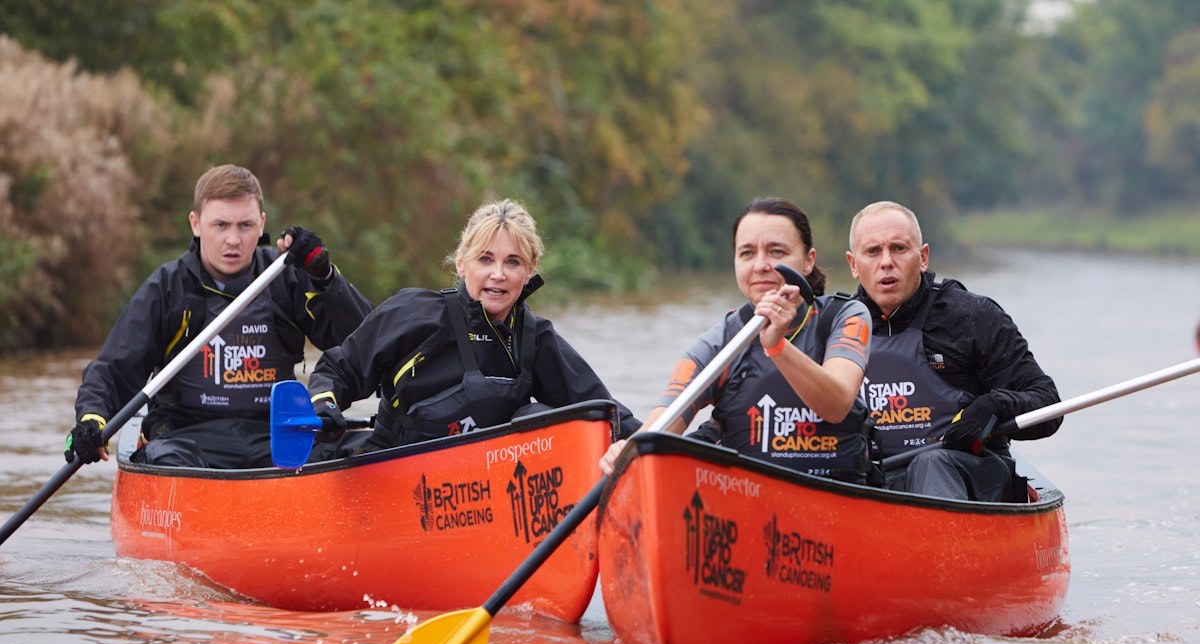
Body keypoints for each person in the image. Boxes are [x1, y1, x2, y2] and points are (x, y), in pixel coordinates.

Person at [64, 164, 373, 469]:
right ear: (196, 224)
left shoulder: (287, 276)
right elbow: (114, 368)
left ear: (262, 224)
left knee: (366, 447)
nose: (233, 240)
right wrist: (92, 418)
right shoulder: (168, 288)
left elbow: (369, 344)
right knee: (166, 458)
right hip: (186, 442)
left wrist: (324, 277)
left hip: (274, 438)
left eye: (245, 225)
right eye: (221, 225)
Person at [305, 198, 640, 454]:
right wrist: (324, 404)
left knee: (539, 416)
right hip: (394, 470)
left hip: (483, 491)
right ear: (462, 262)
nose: (498, 274)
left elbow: (603, 411)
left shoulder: (534, 338)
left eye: (512, 262)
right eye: (485, 259)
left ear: (529, 270)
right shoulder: (414, 313)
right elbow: (339, 369)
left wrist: (648, 442)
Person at [600, 196, 874, 484]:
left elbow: (837, 405)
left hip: (836, 494)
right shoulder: (720, 341)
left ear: (808, 261)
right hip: (747, 497)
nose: (760, 265)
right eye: (747, 253)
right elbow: (665, 421)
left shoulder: (845, 316)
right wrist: (631, 450)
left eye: (777, 252)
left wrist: (777, 347)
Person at [845, 200, 1062, 501]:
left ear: (923, 257)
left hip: (968, 479)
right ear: (853, 265)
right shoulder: (835, 326)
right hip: (872, 483)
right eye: (872, 251)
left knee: (931, 463)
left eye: (898, 248)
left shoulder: (971, 316)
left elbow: (1048, 406)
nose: (886, 262)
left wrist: (993, 407)